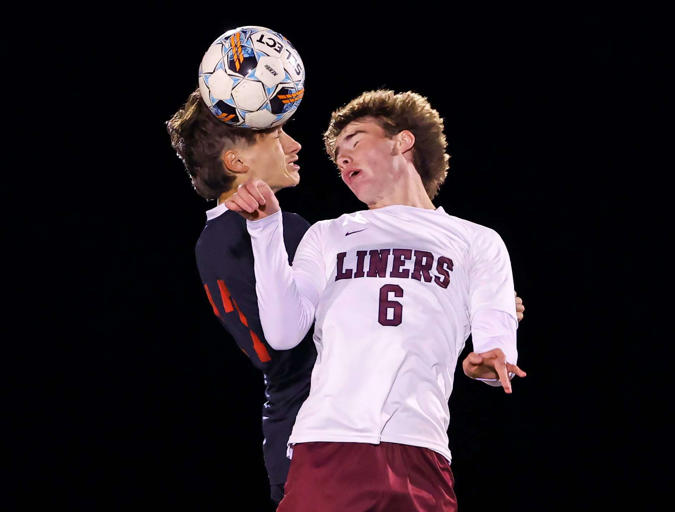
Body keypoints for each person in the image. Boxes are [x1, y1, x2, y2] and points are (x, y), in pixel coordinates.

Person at [167, 89, 527, 508]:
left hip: (419, 447)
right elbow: (282, 335)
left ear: (403, 141)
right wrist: (265, 229)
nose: (341, 158)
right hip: (324, 442)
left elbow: (497, 344)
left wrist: (485, 363)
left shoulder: (478, 241)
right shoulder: (325, 234)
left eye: (355, 141)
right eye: (337, 154)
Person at [166, 89, 314, 504]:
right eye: (277, 134)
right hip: (320, 434)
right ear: (237, 162)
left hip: (286, 435)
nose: (294, 145)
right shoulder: (284, 229)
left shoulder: (210, 240)